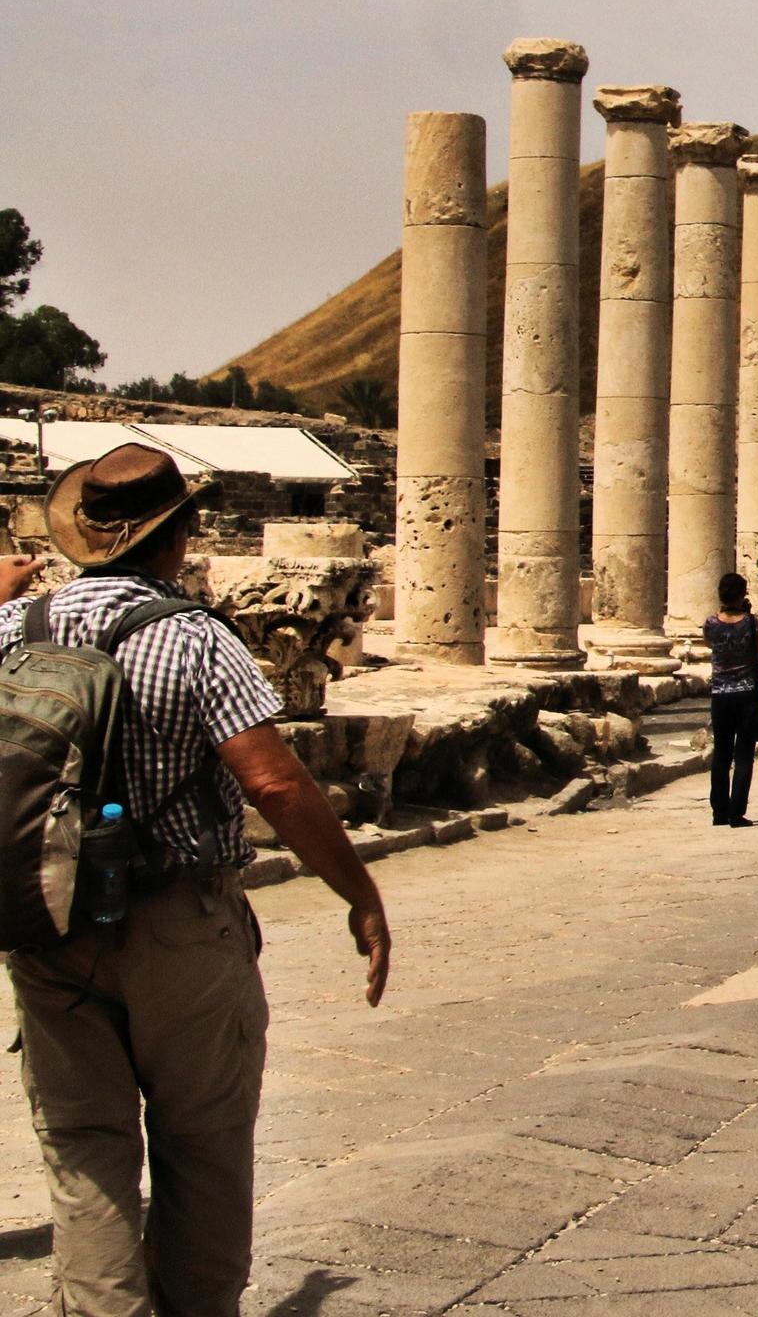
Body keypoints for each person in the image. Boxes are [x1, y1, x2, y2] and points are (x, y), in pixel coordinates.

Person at [0, 444, 391, 1315]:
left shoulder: (16, 631)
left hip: (48, 920)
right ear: (179, 536)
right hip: (181, 916)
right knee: (203, 1146)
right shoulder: (193, 637)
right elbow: (275, 782)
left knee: (85, 1148)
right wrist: (358, 894)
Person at [703, 571, 758, 826]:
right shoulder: (753, 623)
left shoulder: (710, 623)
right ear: (743, 595)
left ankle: (719, 811)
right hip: (748, 694)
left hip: (720, 694)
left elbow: (711, 645)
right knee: (743, 755)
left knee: (721, 754)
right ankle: (736, 812)